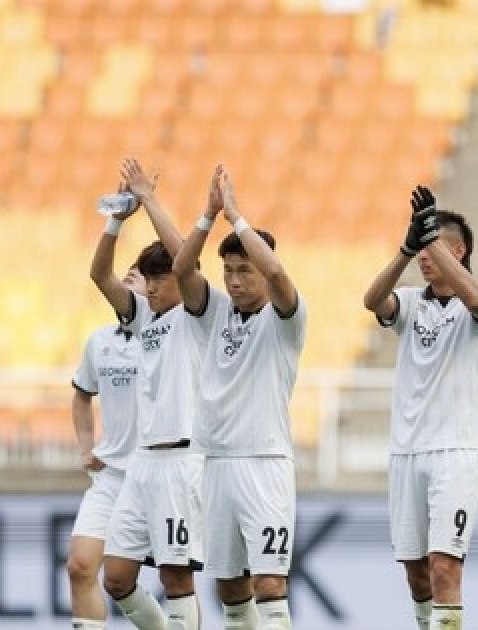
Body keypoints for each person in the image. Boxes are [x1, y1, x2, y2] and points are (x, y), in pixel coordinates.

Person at [362, 185, 478, 630]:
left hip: (456, 452)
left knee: (445, 566)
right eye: (422, 247)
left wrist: (430, 240)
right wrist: (407, 249)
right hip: (407, 451)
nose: (425, 256)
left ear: (458, 251)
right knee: (416, 572)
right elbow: (372, 301)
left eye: (434, 246)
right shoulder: (409, 302)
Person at [173, 165, 305, 630]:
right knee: (230, 587)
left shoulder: (286, 319)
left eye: (244, 270)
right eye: (227, 271)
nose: (233, 280)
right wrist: (208, 216)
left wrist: (236, 216)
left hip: (264, 463)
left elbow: (278, 272)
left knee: (268, 582)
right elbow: (181, 269)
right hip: (215, 463)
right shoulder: (215, 314)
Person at [88, 159, 205, 630]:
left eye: (160, 278)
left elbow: (185, 259)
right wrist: (116, 220)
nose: (151, 288)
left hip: (181, 459)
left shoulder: (198, 316)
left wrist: (150, 199)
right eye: (147, 279)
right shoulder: (144, 318)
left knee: (176, 576)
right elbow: (101, 276)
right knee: (116, 578)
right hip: (143, 462)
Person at [66, 264, 146, 630]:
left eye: (139, 275)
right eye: (127, 273)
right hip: (112, 477)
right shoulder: (99, 341)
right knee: (80, 566)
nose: (128, 277)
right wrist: (86, 448)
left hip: (159, 473)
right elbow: (82, 394)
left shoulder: (172, 335)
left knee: (167, 579)